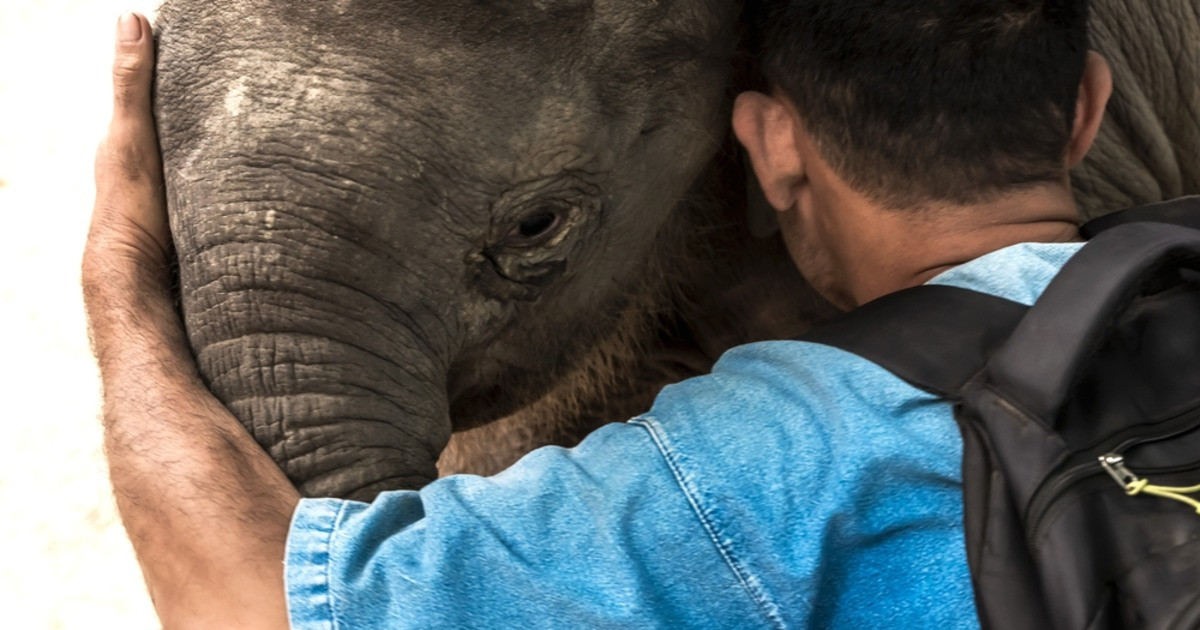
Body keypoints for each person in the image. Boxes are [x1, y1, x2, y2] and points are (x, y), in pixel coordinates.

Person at [84, 1, 1111, 628]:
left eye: (536, 228)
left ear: (766, 144)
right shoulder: (1171, 275)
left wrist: (122, 286)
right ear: (1085, 108)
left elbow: (256, 610)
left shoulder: (750, 478)